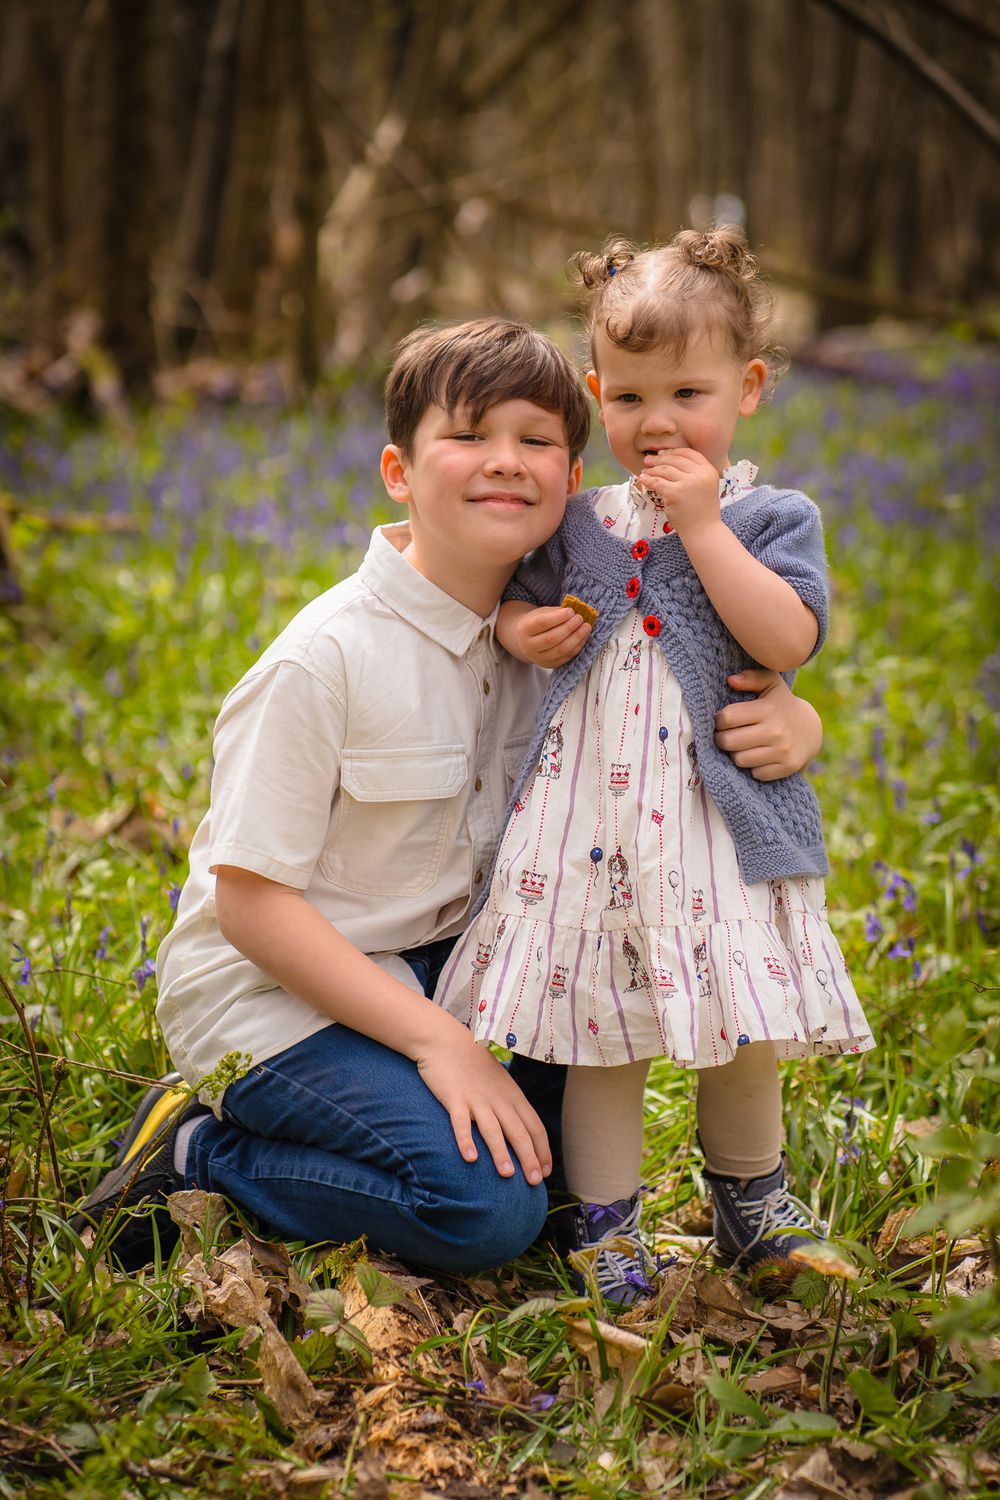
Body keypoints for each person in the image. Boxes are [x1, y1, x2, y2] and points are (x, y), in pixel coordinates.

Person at [72, 315, 825, 1277]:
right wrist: (441, 1047)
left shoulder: (564, 639)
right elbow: (252, 907)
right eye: (469, 436)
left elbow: (688, 696)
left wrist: (801, 724)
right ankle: (196, 1149)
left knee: (570, 1171)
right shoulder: (325, 658)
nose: (505, 463)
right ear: (399, 470)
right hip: (282, 994)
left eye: (538, 441)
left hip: (452, 966)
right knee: (484, 1210)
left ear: (576, 476)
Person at [432, 231, 873, 1304]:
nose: (658, 421)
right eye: (628, 398)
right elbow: (517, 607)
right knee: (600, 1033)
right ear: (596, 397)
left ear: (749, 389)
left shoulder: (770, 517)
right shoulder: (578, 520)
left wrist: (706, 524)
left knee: (740, 1031)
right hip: (589, 830)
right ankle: (608, 1223)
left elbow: (783, 641)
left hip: (714, 832)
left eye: (688, 391)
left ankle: (751, 1201)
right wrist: (517, 635)